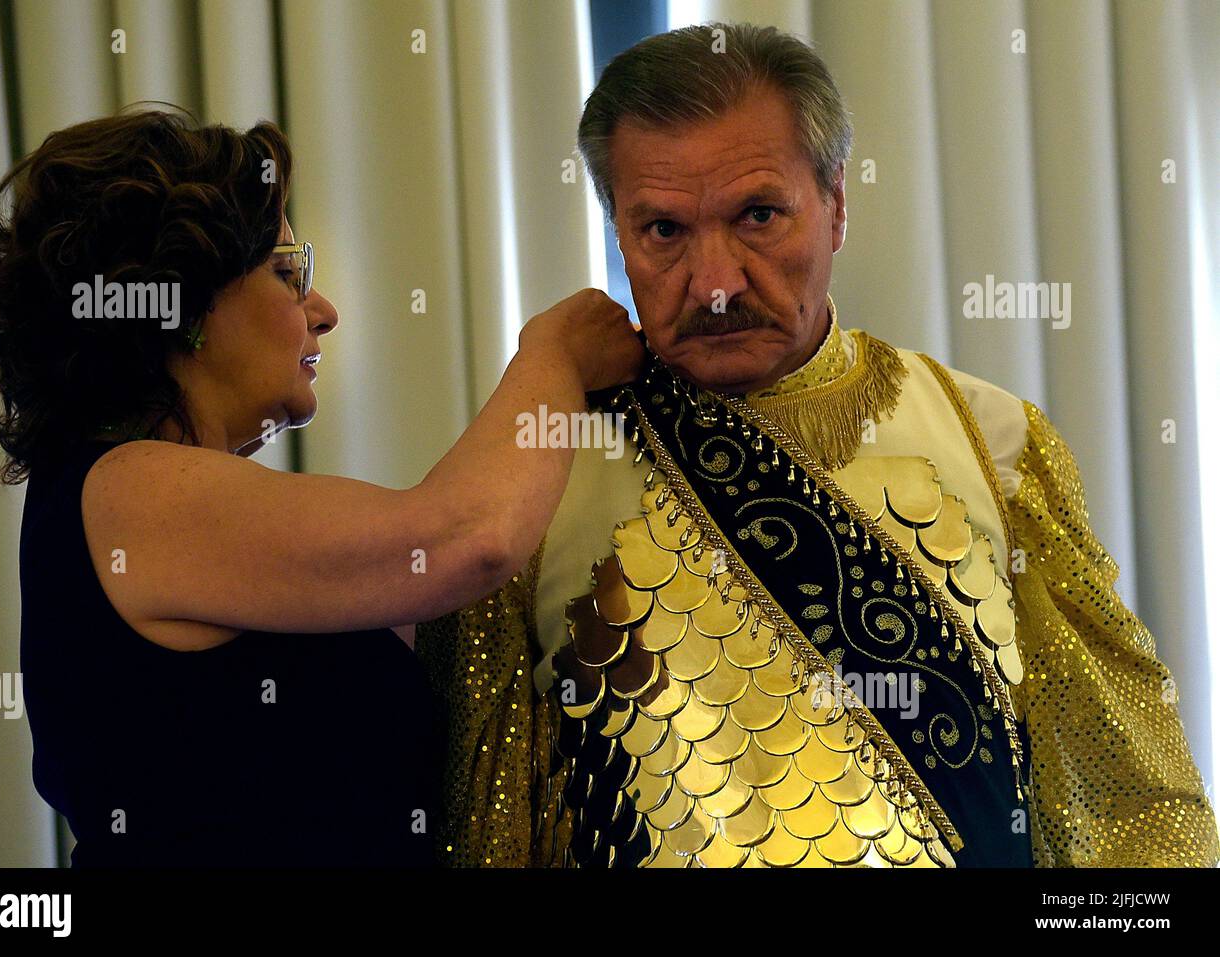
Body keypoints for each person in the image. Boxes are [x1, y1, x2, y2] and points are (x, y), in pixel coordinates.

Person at [418, 23, 1220, 868]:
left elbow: (1133, 814)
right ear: (618, 232)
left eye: (758, 215)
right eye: (663, 232)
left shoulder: (998, 444)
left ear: (836, 204)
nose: (716, 283)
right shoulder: (533, 478)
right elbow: (485, 826)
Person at [0, 108, 642, 866]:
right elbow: (464, 540)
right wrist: (555, 357)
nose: (324, 311)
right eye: (287, 272)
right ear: (184, 304)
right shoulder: (129, 489)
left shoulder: (142, 498)